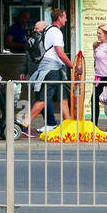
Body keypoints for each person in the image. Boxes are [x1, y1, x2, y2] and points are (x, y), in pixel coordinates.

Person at [23, 8, 73, 136]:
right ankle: (24, 124)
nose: (66, 20)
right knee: (43, 100)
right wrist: (72, 66)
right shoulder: (56, 32)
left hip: (56, 68)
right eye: (65, 17)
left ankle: (70, 125)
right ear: (59, 18)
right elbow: (60, 53)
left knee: (63, 98)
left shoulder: (49, 30)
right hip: (52, 69)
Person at [18, 20, 56, 128]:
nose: (35, 30)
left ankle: (51, 123)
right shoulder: (32, 41)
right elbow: (27, 57)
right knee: (40, 99)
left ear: (44, 29)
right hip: (34, 74)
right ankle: (49, 123)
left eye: (37, 28)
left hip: (43, 73)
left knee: (43, 99)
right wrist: (23, 71)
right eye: (34, 28)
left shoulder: (45, 40)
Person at [91, 24, 107, 127]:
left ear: (106, 34)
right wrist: (94, 47)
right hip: (98, 76)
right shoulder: (99, 45)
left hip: (106, 76)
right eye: (97, 33)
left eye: (99, 33)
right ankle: (93, 125)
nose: (97, 35)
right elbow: (96, 58)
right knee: (94, 100)